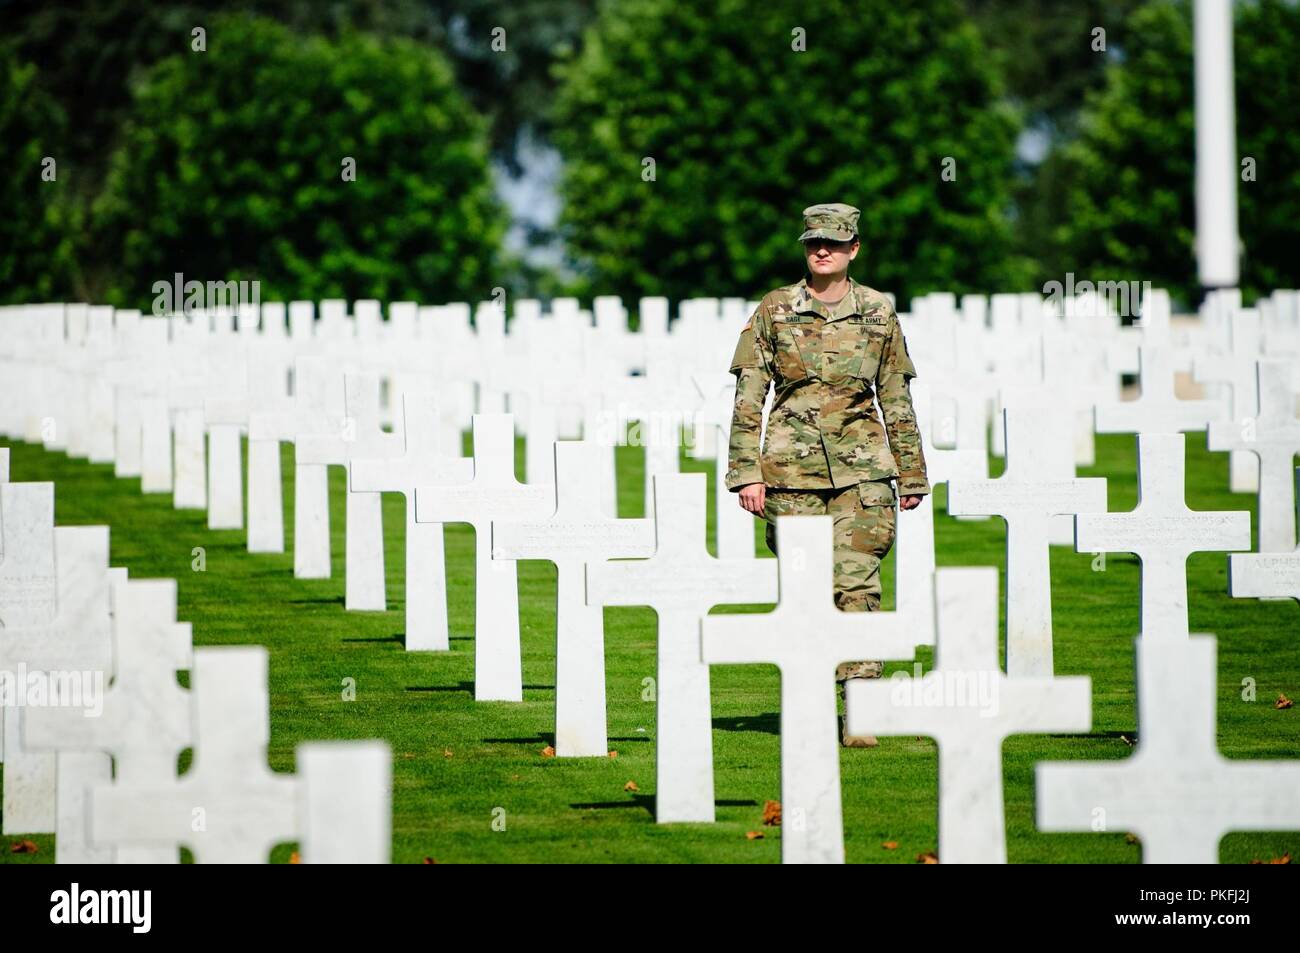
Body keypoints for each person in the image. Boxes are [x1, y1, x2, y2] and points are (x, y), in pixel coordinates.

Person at [724, 202, 930, 747]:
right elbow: (749, 398)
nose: (822, 250)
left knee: (857, 585)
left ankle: (861, 710)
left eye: (834, 243)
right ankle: (812, 703)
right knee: (806, 591)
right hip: (791, 475)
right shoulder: (774, 309)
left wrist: (911, 475)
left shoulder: (878, 313)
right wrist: (747, 472)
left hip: (863, 473)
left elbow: (895, 396)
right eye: (814, 242)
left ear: (853, 249)